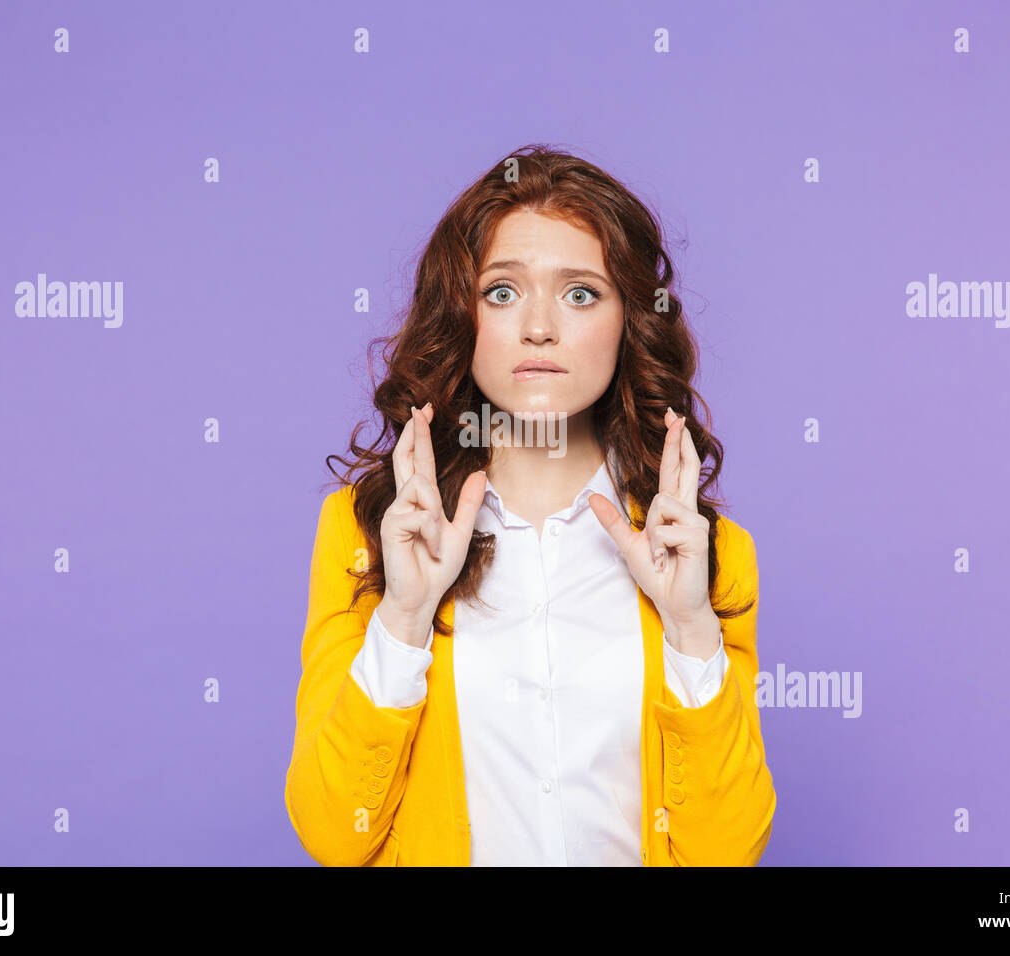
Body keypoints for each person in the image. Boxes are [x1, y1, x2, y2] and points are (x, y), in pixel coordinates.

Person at [284, 144, 775, 866]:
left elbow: (725, 852)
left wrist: (690, 628)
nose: (539, 326)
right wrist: (405, 620)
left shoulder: (708, 550)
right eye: (502, 292)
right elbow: (333, 833)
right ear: (461, 316)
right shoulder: (369, 531)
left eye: (580, 293)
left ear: (628, 320)